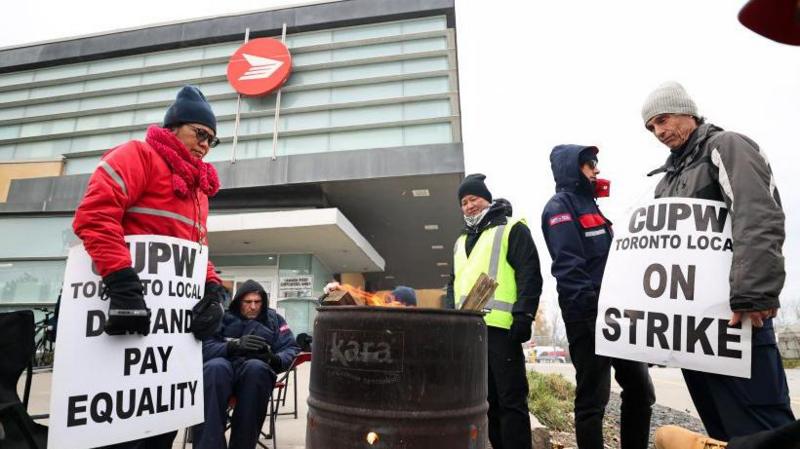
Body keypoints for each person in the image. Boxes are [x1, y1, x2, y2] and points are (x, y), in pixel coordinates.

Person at [72, 85, 227, 449]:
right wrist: (123, 284)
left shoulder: (198, 191)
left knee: (160, 430)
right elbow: (95, 217)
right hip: (120, 314)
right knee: (114, 430)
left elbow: (195, 248)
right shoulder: (136, 155)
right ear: (172, 127)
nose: (205, 145)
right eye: (200, 134)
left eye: (213, 141)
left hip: (167, 337)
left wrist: (214, 289)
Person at [641, 81, 795, 441]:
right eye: (651, 127)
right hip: (693, 332)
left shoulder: (727, 147)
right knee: (720, 429)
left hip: (737, 316)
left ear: (688, 112)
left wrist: (752, 295)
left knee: (764, 424)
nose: (659, 132)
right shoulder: (665, 182)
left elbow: (757, 218)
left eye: (663, 120)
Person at [541, 145, 655, 449]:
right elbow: (568, 266)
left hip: (617, 313)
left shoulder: (592, 207)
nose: (597, 170)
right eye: (590, 164)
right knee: (593, 398)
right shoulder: (560, 207)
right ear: (572, 169)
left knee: (641, 391)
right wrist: (592, 316)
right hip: (588, 316)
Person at [447, 174, 543, 449]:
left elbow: (529, 273)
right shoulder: (460, 241)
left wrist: (524, 314)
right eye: (464, 202)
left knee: (511, 401)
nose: (469, 206)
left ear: (487, 199)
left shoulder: (511, 228)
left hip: (503, 331)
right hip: (471, 336)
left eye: (474, 198)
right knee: (487, 403)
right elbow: (453, 284)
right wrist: (450, 319)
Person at [194, 279, 300, 449]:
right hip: (224, 371)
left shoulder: (274, 319)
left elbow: (291, 348)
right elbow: (204, 347)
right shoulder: (222, 316)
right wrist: (231, 346)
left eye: (257, 302)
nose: (253, 306)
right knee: (214, 367)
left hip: (253, 376)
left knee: (256, 368)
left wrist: (273, 358)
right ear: (238, 302)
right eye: (248, 302)